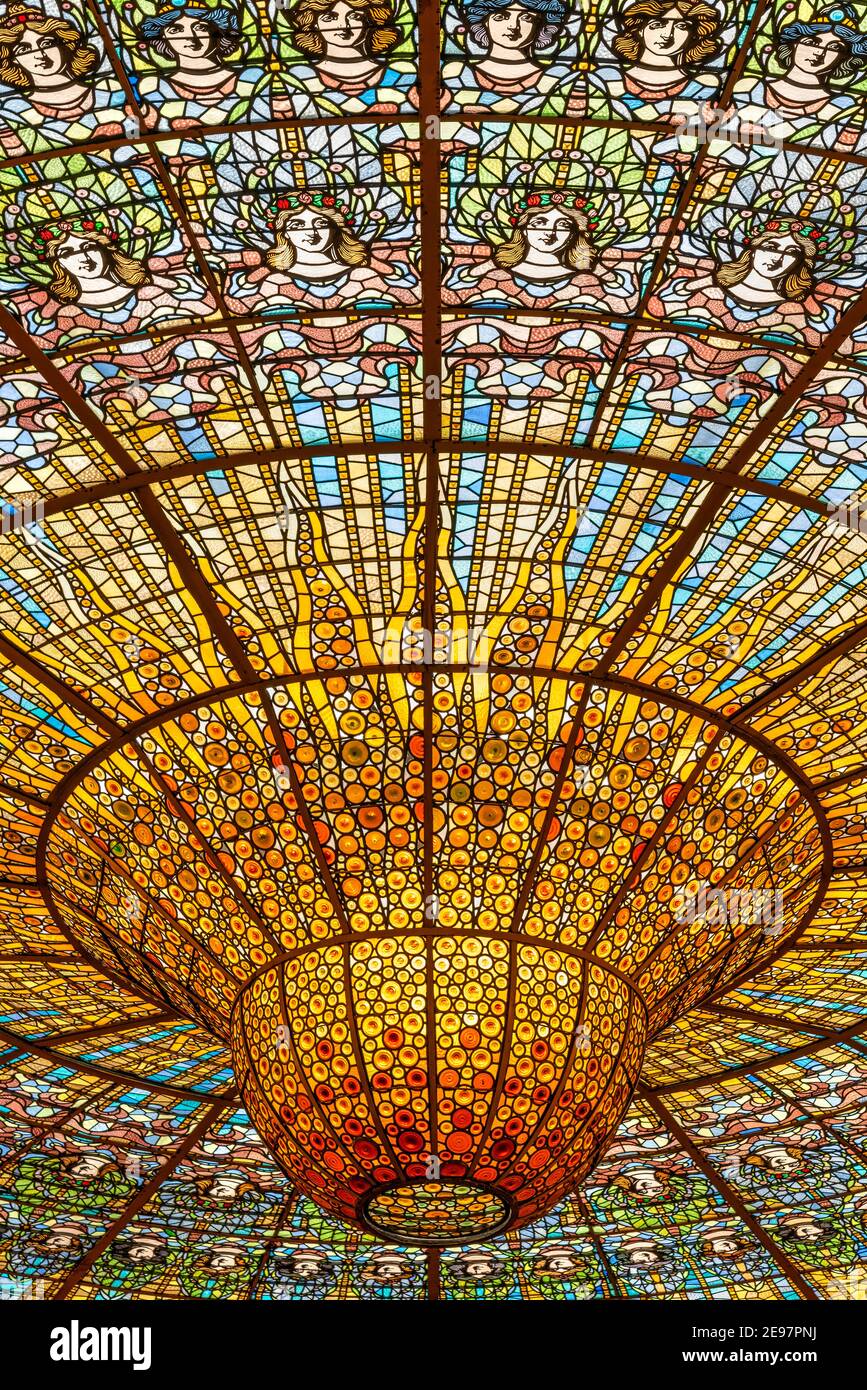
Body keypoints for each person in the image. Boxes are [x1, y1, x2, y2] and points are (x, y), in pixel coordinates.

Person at [732, 4, 867, 152]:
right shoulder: (748, 87)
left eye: (835, 48)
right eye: (812, 42)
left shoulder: (843, 107)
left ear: (844, 59)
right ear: (794, 45)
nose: (819, 53)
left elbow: (834, 157)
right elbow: (709, 129)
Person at [0, 5, 129, 155]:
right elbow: (22, 161)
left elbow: (138, 132)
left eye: (47, 43)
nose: (40, 54)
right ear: (13, 60)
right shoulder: (15, 111)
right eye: (24, 49)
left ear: (65, 43)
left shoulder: (111, 89)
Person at [137, 2, 265, 127]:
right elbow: (136, 134)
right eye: (175, 30)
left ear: (219, 31)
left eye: (201, 28)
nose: (190, 37)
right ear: (162, 37)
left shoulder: (253, 78)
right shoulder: (154, 88)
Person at [443, 0, 584, 113]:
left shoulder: (558, 78)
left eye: (527, 18)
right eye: (501, 17)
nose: (513, 26)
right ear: (484, 21)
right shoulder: (456, 74)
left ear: (543, 25)